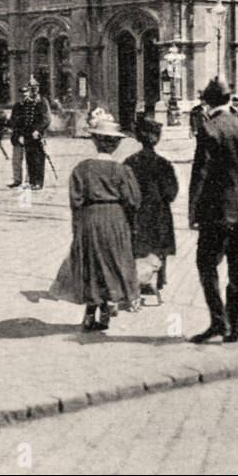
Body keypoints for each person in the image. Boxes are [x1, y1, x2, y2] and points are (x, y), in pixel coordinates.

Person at [189, 77, 238, 343]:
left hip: (216, 212)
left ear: (207, 102)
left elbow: (201, 174)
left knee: (206, 264)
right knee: (237, 269)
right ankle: (236, 327)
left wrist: (195, 211)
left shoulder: (208, 129)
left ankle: (219, 321)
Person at [65, 111, 141, 330]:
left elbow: (75, 200)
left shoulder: (82, 168)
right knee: (114, 261)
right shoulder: (122, 170)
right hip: (115, 219)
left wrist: (77, 226)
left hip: (90, 219)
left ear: (95, 142)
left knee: (92, 263)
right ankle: (108, 309)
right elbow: (134, 200)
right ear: (116, 145)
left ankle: (90, 314)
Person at [124, 113, 178, 303]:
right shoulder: (164, 164)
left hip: (136, 214)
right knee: (157, 248)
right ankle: (156, 283)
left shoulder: (129, 163)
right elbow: (172, 193)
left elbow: (123, 191)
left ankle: (134, 286)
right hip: (159, 215)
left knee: (136, 249)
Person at [9, 83, 51, 190]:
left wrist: (38, 131)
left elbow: (45, 119)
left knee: (37, 159)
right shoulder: (21, 105)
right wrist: (20, 133)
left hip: (36, 136)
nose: (34, 91)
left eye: (35, 88)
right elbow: (16, 121)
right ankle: (29, 181)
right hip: (25, 136)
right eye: (32, 88)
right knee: (28, 159)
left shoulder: (42, 102)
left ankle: (36, 182)